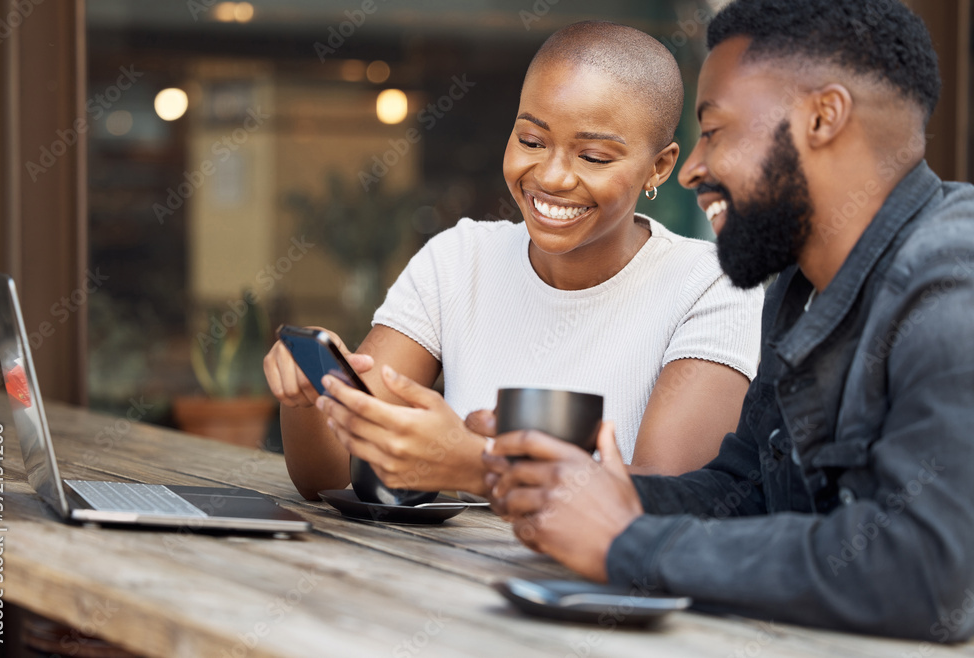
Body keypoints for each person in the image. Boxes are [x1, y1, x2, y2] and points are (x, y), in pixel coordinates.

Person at [484, 0, 974, 642]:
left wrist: (629, 544)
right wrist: (587, 495)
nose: (691, 169)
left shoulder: (952, 289)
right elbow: (744, 495)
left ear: (822, 118)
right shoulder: (800, 288)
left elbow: (925, 576)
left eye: (714, 131)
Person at [264, 21, 763, 501]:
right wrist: (307, 397)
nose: (551, 176)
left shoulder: (712, 285)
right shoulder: (460, 260)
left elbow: (670, 499)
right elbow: (332, 474)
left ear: (659, 166)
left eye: (593, 157)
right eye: (531, 141)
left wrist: (477, 463)